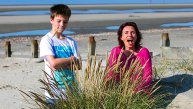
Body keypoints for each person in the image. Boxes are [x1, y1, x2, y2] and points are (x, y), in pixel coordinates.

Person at [39, 4, 80, 103]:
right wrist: (71, 59)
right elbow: (53, 64)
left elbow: (78, 66)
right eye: (59, 21)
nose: (61, 25)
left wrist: (60, 64)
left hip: (72, 93)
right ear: (51, 20)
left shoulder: (70, 41)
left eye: (65, 22)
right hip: (54, 94)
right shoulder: (47, 40)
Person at [107, 22, 152, 93]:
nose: (129, 35)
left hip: (139, 92)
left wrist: (134, 91)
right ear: (121, 37)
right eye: (126, 32)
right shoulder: (116, 51)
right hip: (118, 91)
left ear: (137, 36)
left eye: (133, 32)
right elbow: (110, 74)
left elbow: (147, 78)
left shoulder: (143, 52)